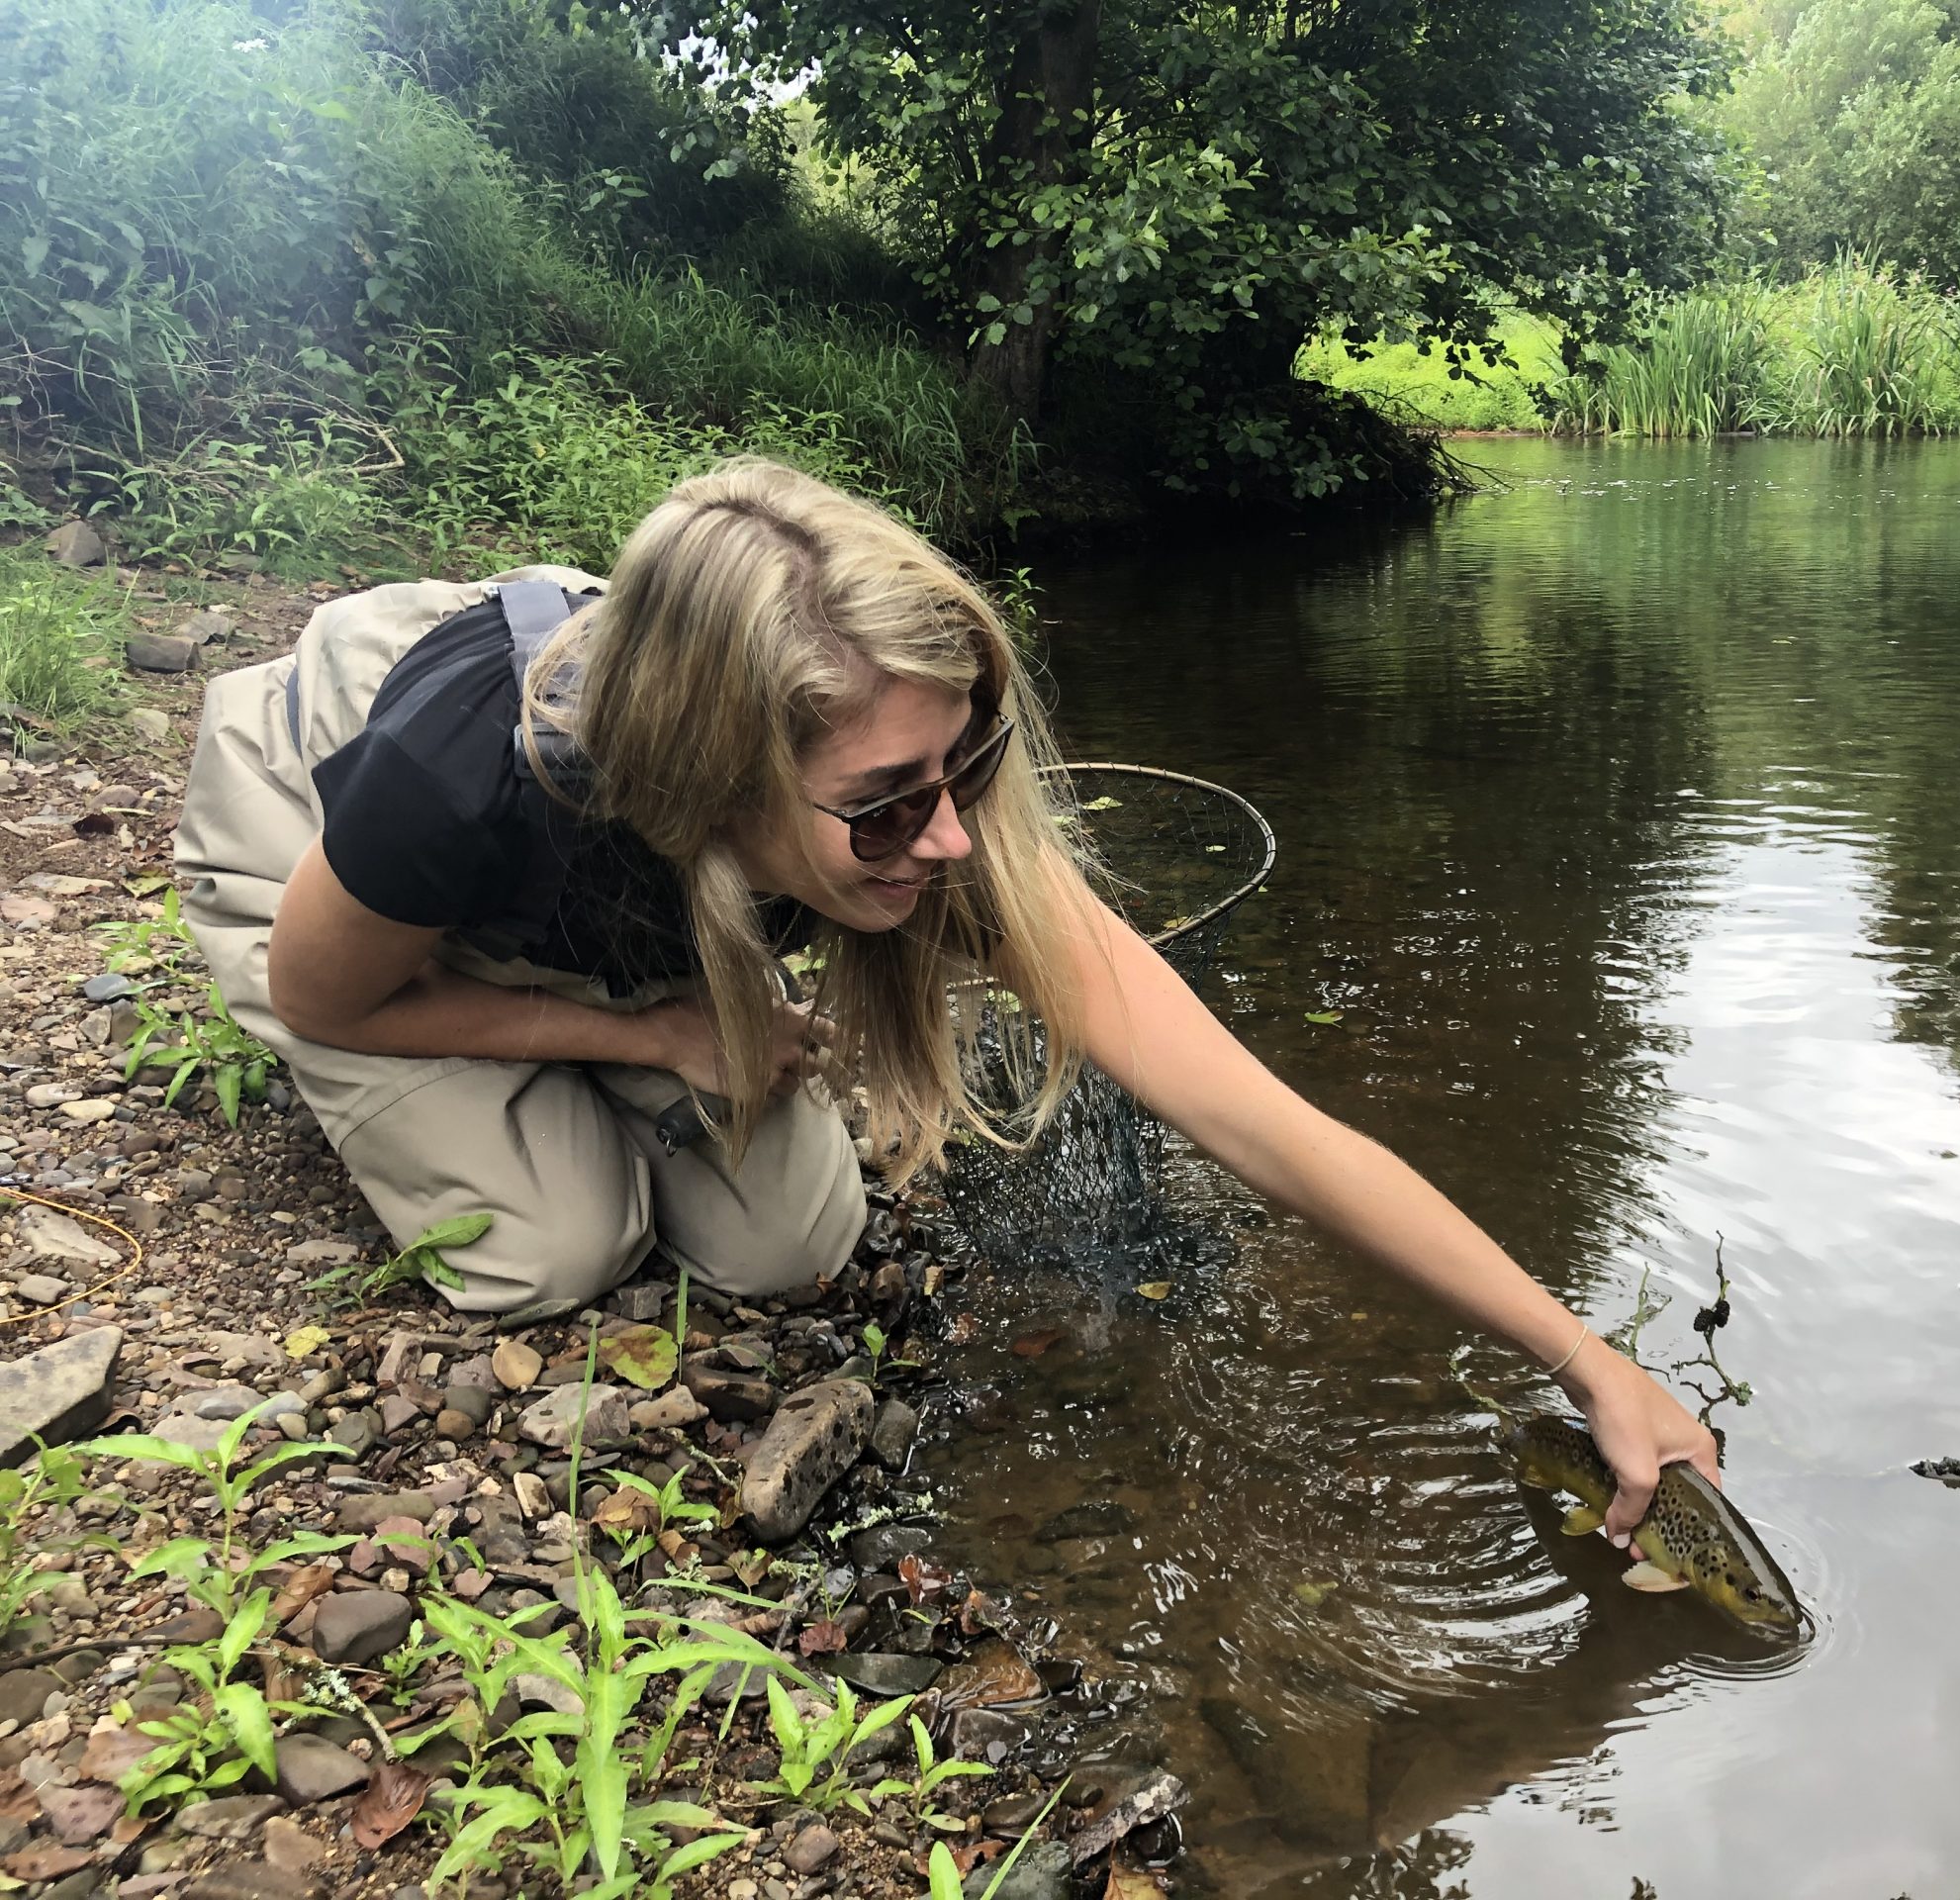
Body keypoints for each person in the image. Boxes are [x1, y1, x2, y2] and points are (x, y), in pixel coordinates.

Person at [172, 459, 1721, 1551]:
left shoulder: (908, 798)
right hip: (331, 854)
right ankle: (594, 1065)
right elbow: (335, 1001)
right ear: (726, 781)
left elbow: (1265, 1123)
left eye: (963, 765)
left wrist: (1586, 1361)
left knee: (789, 1244)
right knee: (555, 1249)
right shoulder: (456, 786)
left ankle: (626, 1034)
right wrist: (650, 1037)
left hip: (648, 889)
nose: (954, 840)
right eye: (886, 804)